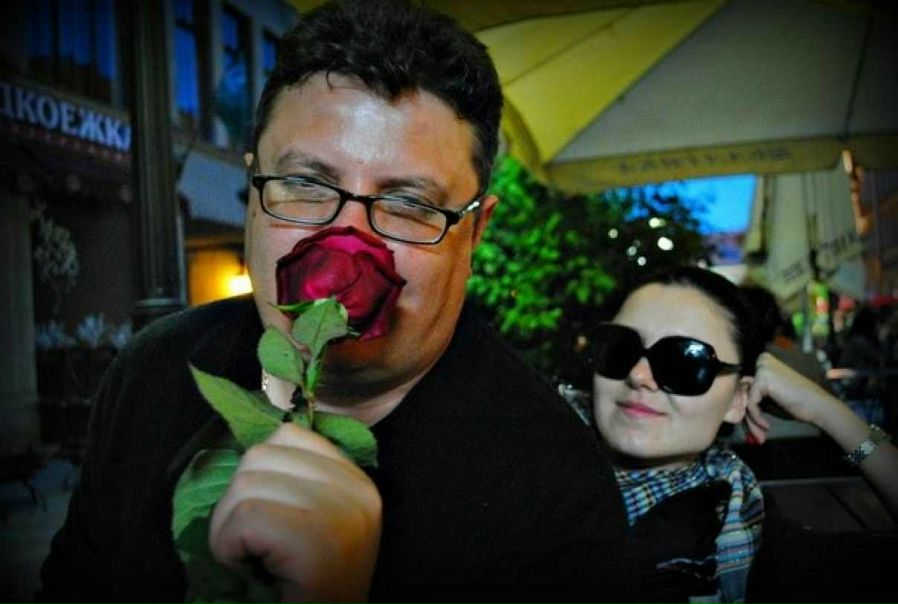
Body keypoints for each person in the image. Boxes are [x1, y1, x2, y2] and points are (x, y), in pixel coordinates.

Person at [37, 1, 636, 602]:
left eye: (408, 204)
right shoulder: (152, 372)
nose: (346, 242)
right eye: (305, 184)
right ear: (252, 191)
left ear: (475, 233)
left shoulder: (557, 489)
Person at [586, 266, 898, 604]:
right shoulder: (545, 460)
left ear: (738, 399)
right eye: (621, 348)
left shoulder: (759, 544)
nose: (638, 375)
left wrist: (827, 410)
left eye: (685, 361)